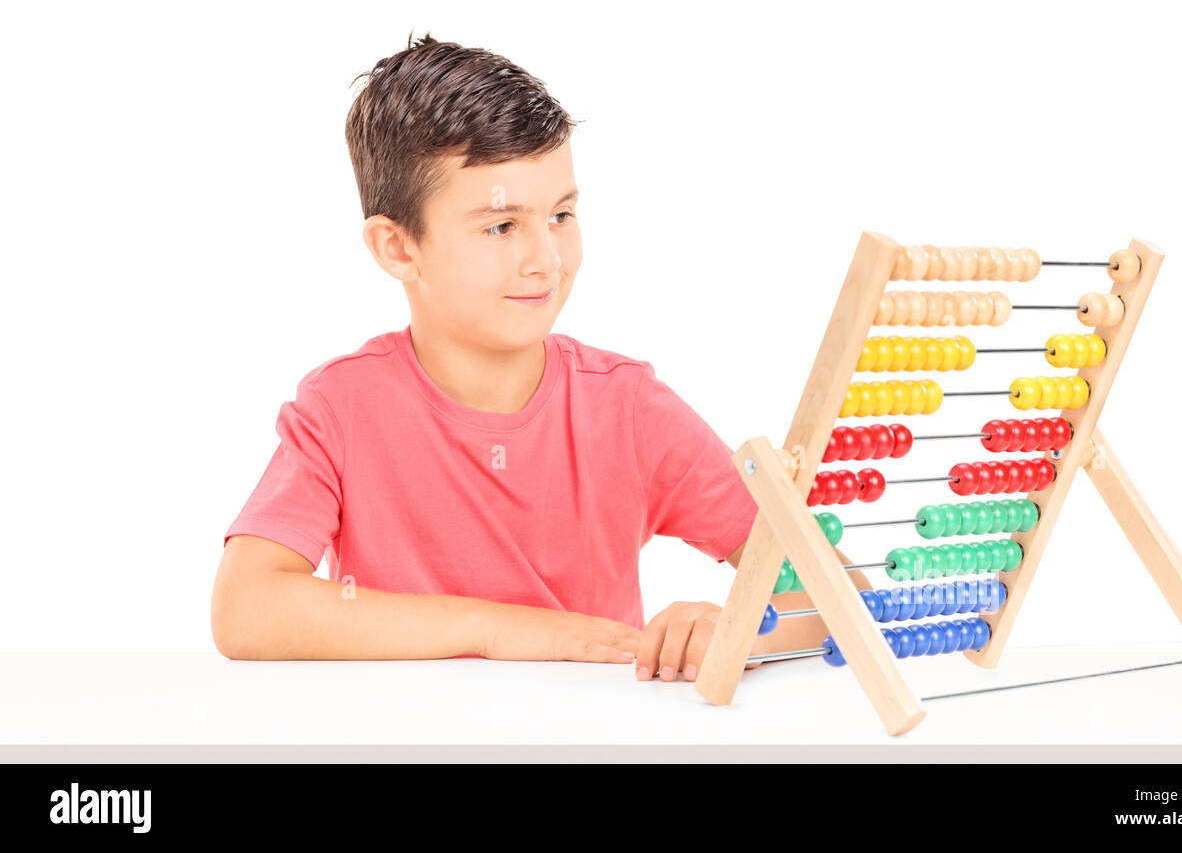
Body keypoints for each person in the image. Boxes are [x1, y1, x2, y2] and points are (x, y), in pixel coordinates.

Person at [211, 33, 852, 683]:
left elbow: (836, 593)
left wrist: (745, 630)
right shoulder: (342, 407)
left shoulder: (626, 408)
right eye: (500, 226)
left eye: (562, 215)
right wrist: (495, 629)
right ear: (398, 248)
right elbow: (246, 607)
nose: (545, 260)